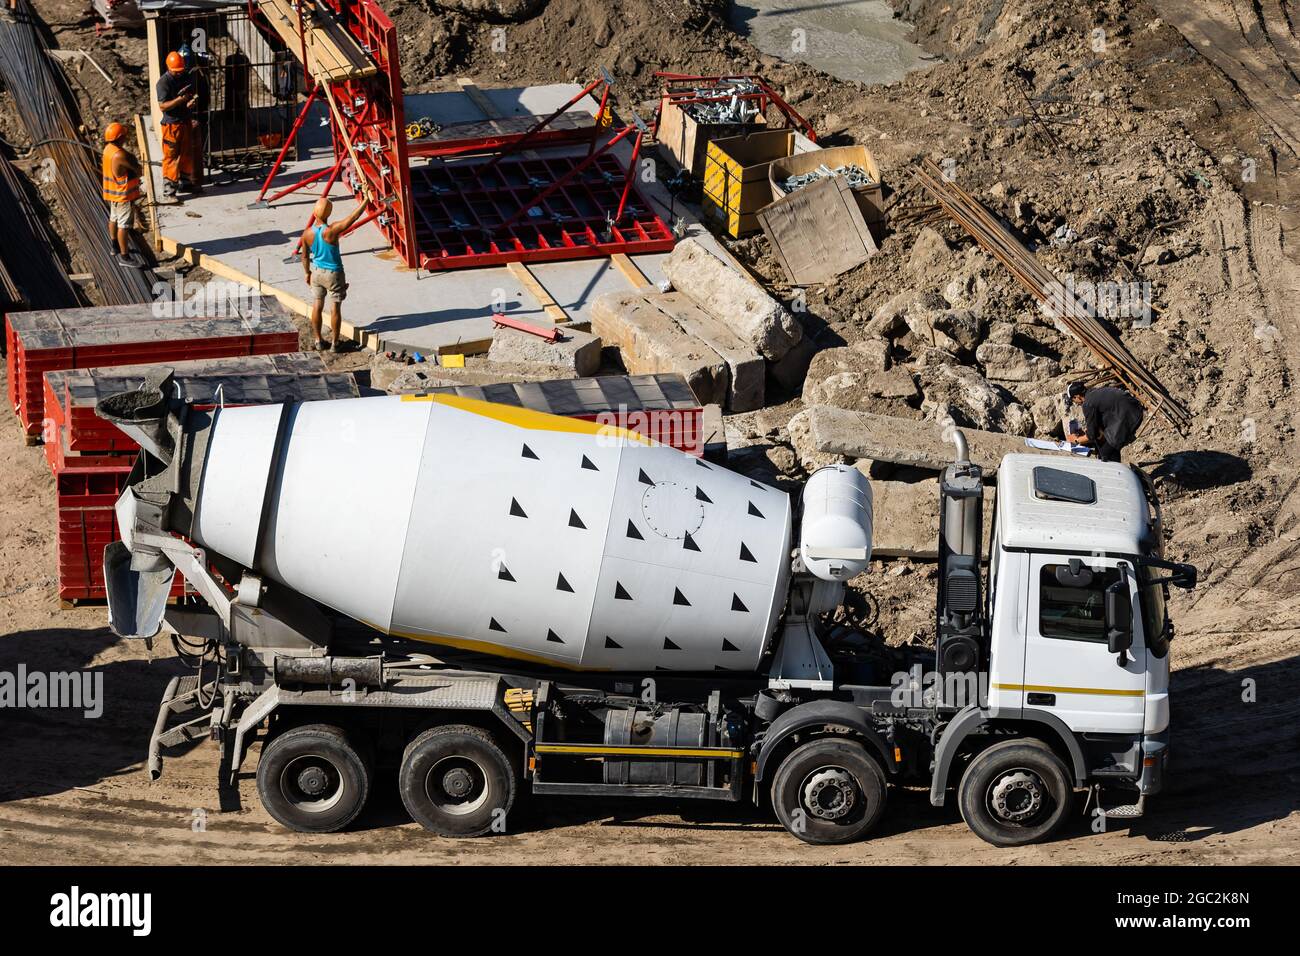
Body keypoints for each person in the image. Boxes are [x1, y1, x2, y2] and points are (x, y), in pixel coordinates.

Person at [301, 193, 370, 351]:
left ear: (314, 213)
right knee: (335, 308)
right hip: (334, 273)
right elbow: (352, 218)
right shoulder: (331, 231)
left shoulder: (307, 234)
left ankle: (318, 340)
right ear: (329, 214)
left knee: (317, 305)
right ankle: (335, 343)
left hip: (317, 272)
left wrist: (307, 273)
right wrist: (366, 200)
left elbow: (304, 257)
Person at [156, 50, 199, 199]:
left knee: (186, 154)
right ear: (169, 68)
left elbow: (189, 96)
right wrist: (180, 100)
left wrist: (190, 102)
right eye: (176, 72)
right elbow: (162, 106)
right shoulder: (163, 82)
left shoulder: (185, 76)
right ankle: (169, 191)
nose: (179, 74)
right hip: (171, 126)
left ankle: (185, 183)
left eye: (181, 71)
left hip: (185, 122)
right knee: (171, 157)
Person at [1066, 382, 1145, 462]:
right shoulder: (1093, 393)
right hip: (1133, 408)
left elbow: (1093, 434)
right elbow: (1096, 427)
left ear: (1077, 396)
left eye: (1073, 400)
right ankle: (1116, 465)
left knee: (1105, 453)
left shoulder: (1088, 404)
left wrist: (1076, 440)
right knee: (1108, 444)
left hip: (1128, 415)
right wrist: (1088, 433)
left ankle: (1116, 472)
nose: (1075, 403)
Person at [101, 122, 143, 267]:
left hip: (112, 193)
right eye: (124, 136)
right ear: (119, 138)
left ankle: (114, 246)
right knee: (124, 225)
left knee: (113, 218)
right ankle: (125, 257)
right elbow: (138, 169)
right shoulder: (120, 154)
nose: (125, 138)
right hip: (123, 196)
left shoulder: (108, 149)